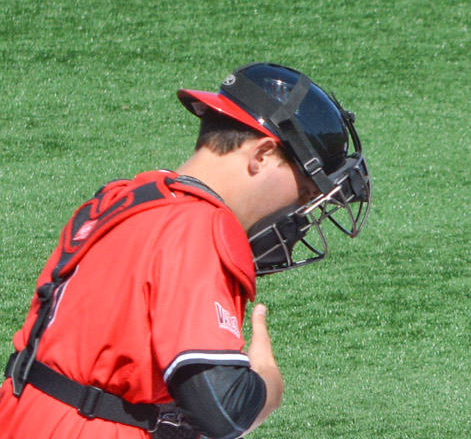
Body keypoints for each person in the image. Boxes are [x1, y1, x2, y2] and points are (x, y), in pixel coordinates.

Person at [2, 63, 371, 439]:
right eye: (306, 190)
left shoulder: (128, 198)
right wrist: (268, 384)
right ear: (260, 155)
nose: (299, 214)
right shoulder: (199, 226)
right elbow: (223, 409)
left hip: (24, 415)